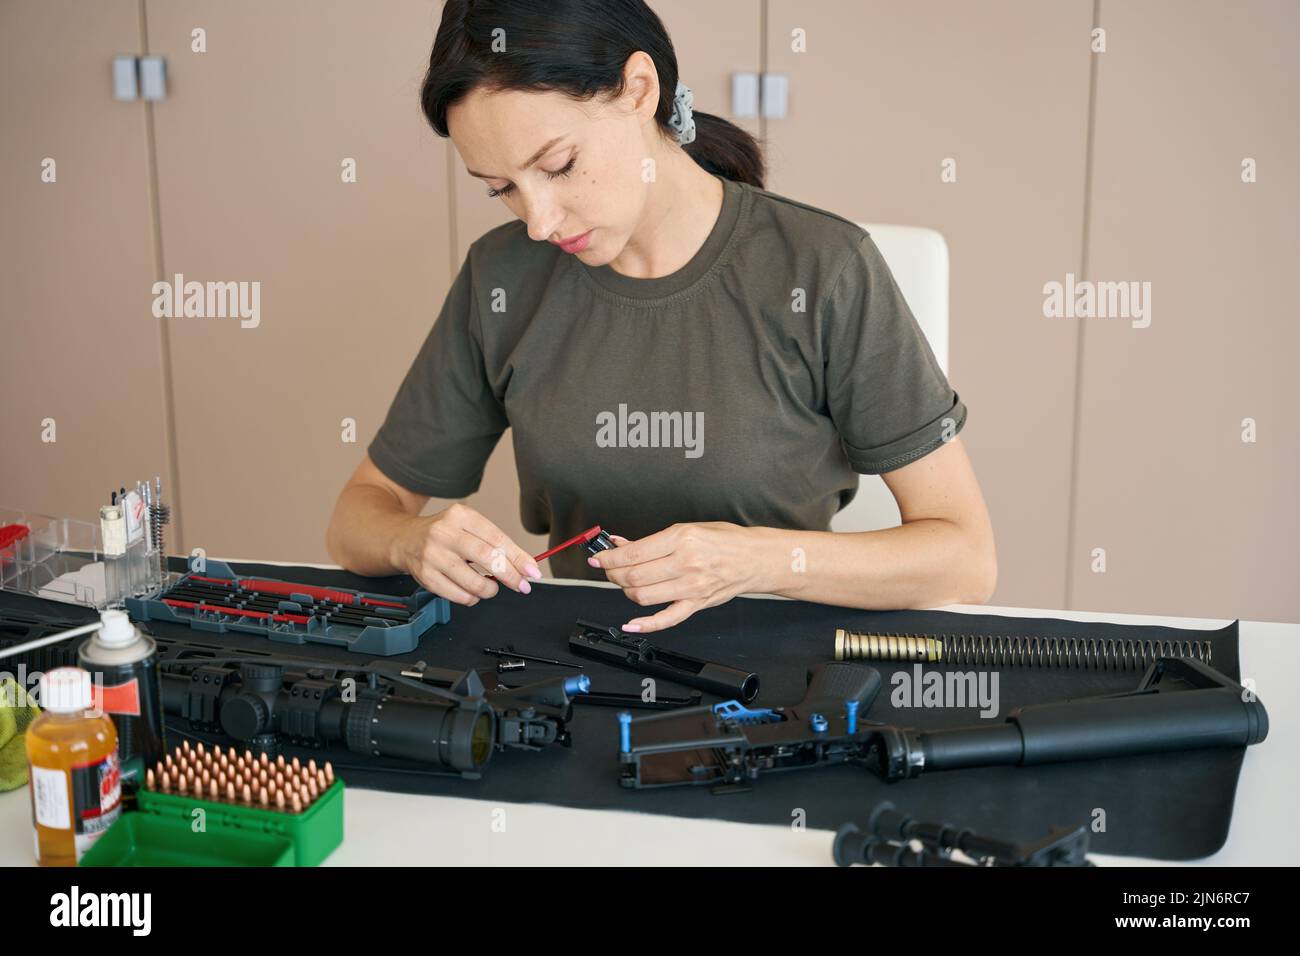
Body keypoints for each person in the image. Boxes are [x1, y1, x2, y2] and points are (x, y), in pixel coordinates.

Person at [326, 0, 997, 634]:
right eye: (501, 188)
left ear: (638, 89)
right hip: (582, 662)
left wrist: (754, 560)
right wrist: (413, 541)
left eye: (558, 165)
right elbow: (357, 517)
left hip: (781, 668)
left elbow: (965, 559)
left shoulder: (825, 269)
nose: (538, 222)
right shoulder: (501, 280)